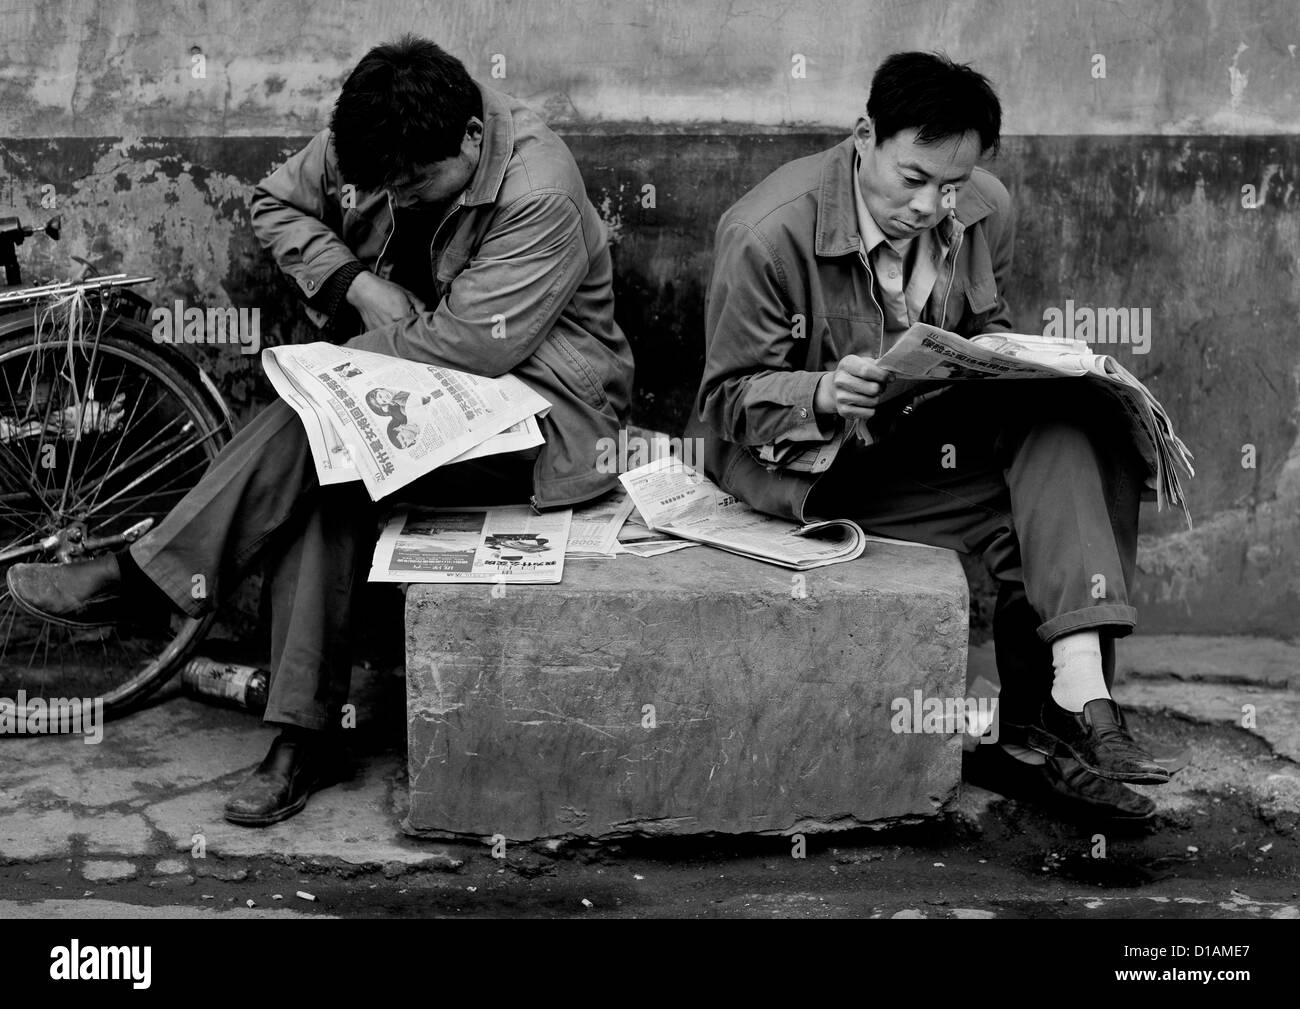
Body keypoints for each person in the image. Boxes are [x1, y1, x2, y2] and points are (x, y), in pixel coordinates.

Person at [7, 35, 634, 826]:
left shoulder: (537, 190)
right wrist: (357, 282)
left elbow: (477, 345)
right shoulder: (370, 138)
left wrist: (339, 370)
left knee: (315, 431)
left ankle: (147, 581)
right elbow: (274, 201)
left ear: (473, 139)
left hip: (536, 419)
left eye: (417, 185)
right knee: (332, 468)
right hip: (412, 396)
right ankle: (305, 737)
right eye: (385, 187)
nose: (399, 201)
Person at [689, 51, 1178, 825]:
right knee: (1037, 504)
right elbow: (723, 400)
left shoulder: (983, 208)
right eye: (913, 179)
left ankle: (1070, 697)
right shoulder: (765, 233)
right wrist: (817, 392)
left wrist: (1009, 358)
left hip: (930, 453)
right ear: (863, 136)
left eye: (951, 185)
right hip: (824, 473)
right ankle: (1049, 722)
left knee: (1074, 426)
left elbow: (989, 330)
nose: (930, 205)